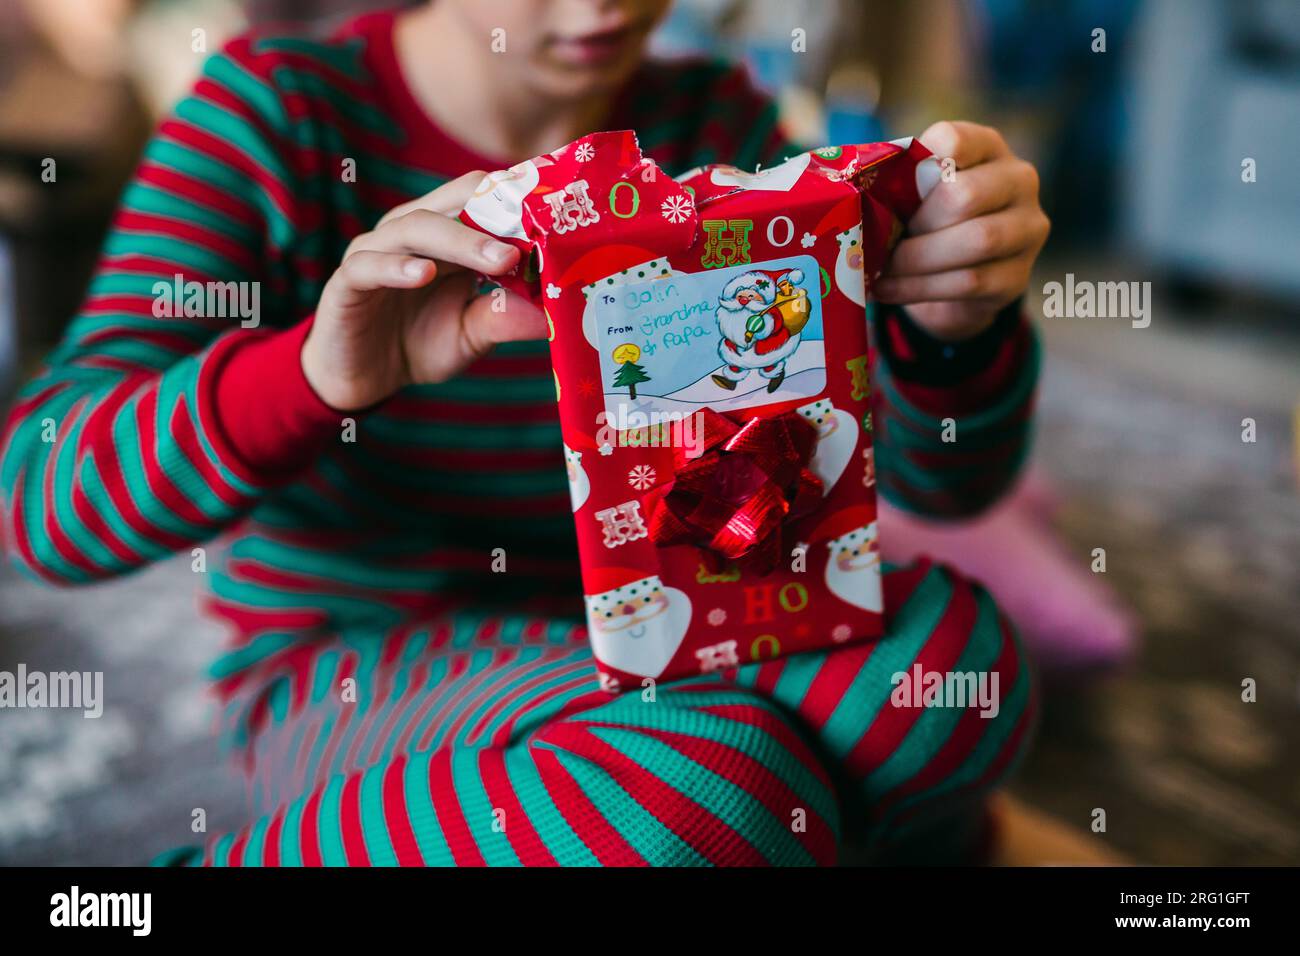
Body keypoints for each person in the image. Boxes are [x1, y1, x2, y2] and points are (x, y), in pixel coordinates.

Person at [0, 0, 1050, 865]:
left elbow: (942, 489)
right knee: (710, 790)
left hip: (670, 628)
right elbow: (42, 503)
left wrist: (951, 331)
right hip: (358, 661)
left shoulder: (716, 123)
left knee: (956, 665)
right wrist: (318, 374)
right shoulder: (272, 116)